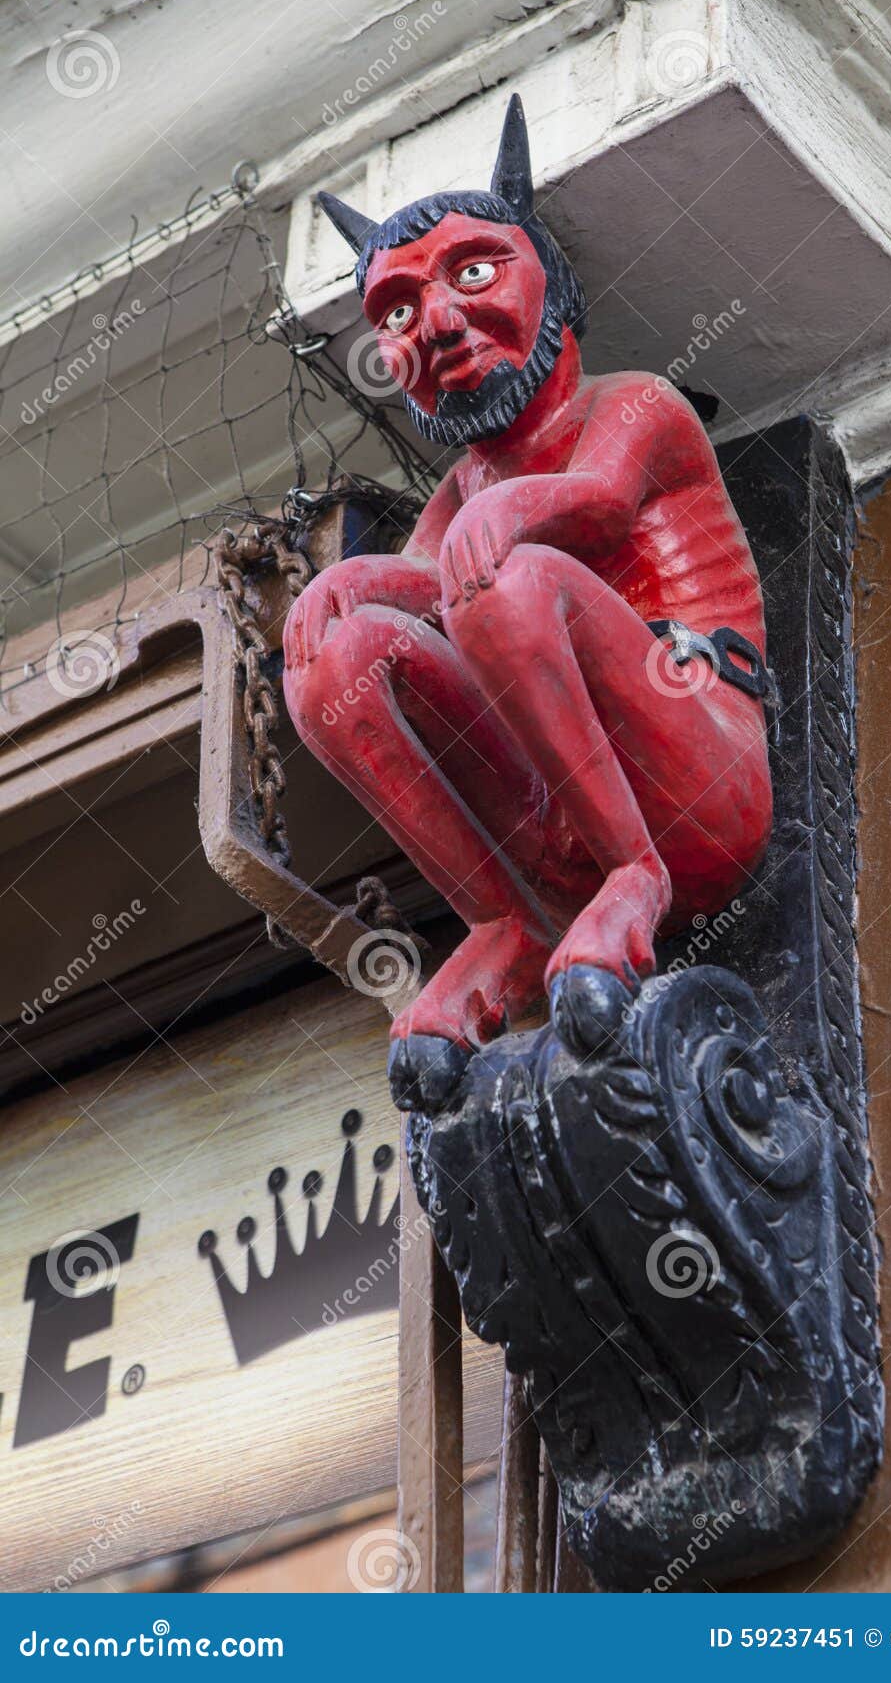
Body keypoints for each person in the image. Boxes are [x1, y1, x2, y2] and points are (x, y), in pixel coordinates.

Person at [283, 96, 773, 1109]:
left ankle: (632, 881)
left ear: (553, 287)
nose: (441, 323)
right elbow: (420, 587)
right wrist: (341, 587)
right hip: (557, 820)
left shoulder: (632, 407)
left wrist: (493, 526)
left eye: (472, 272)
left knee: (506, 578)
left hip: (692, 777)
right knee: (344, 654)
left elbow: (590, 508)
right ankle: (501, 921)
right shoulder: (466, 490)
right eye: (399, 311)